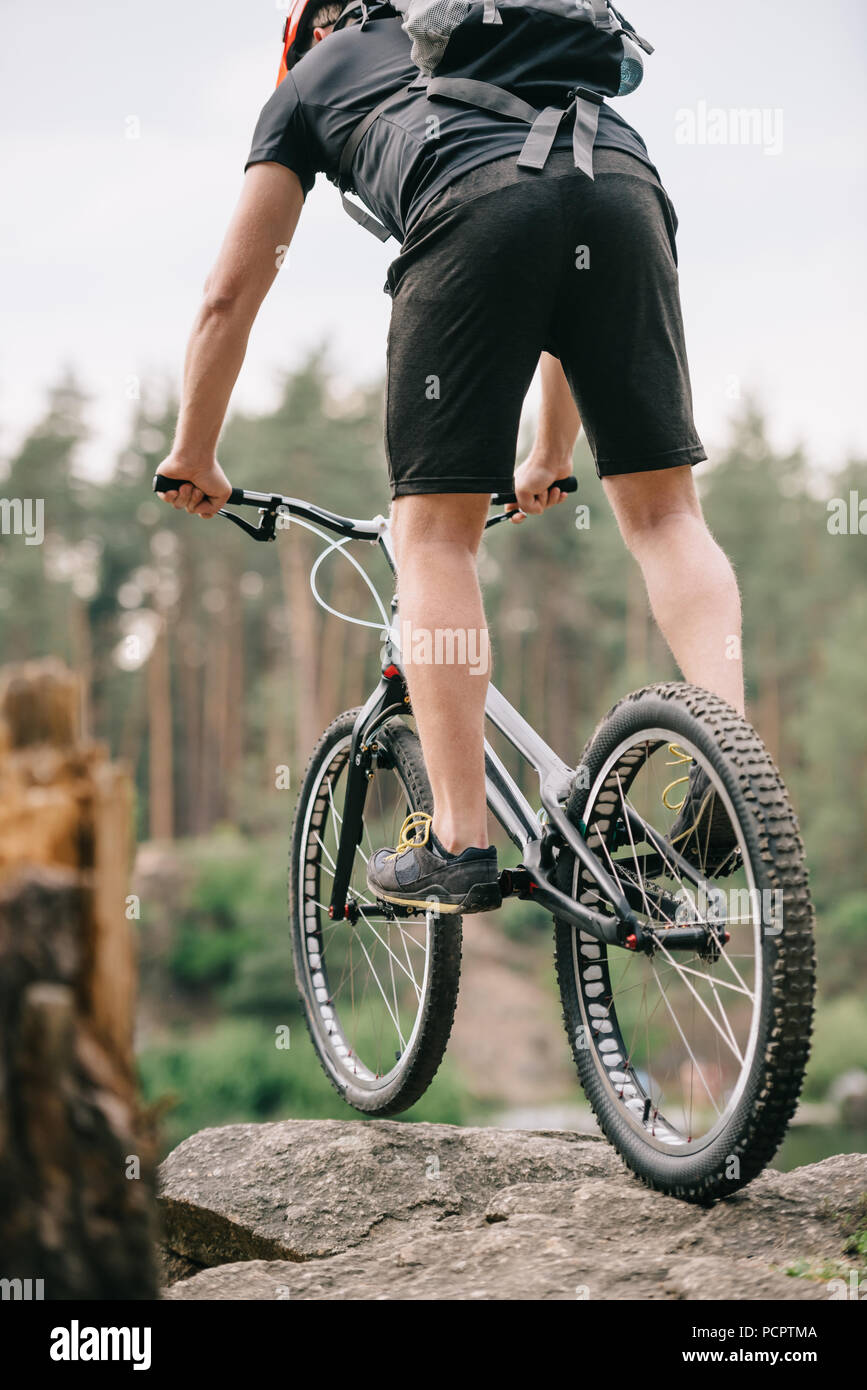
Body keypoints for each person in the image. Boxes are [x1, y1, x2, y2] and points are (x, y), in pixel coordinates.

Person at [156, 2, 743, 913]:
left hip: (473, 210)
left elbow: (229, 293)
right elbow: (559, 232)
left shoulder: (311, 80)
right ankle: (732, 774)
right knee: (667, 516)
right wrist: (548, 452)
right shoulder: (503, 39)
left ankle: (461, 844)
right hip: (626, 189)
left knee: (431, 539)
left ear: (309, 32)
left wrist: (194, 453)